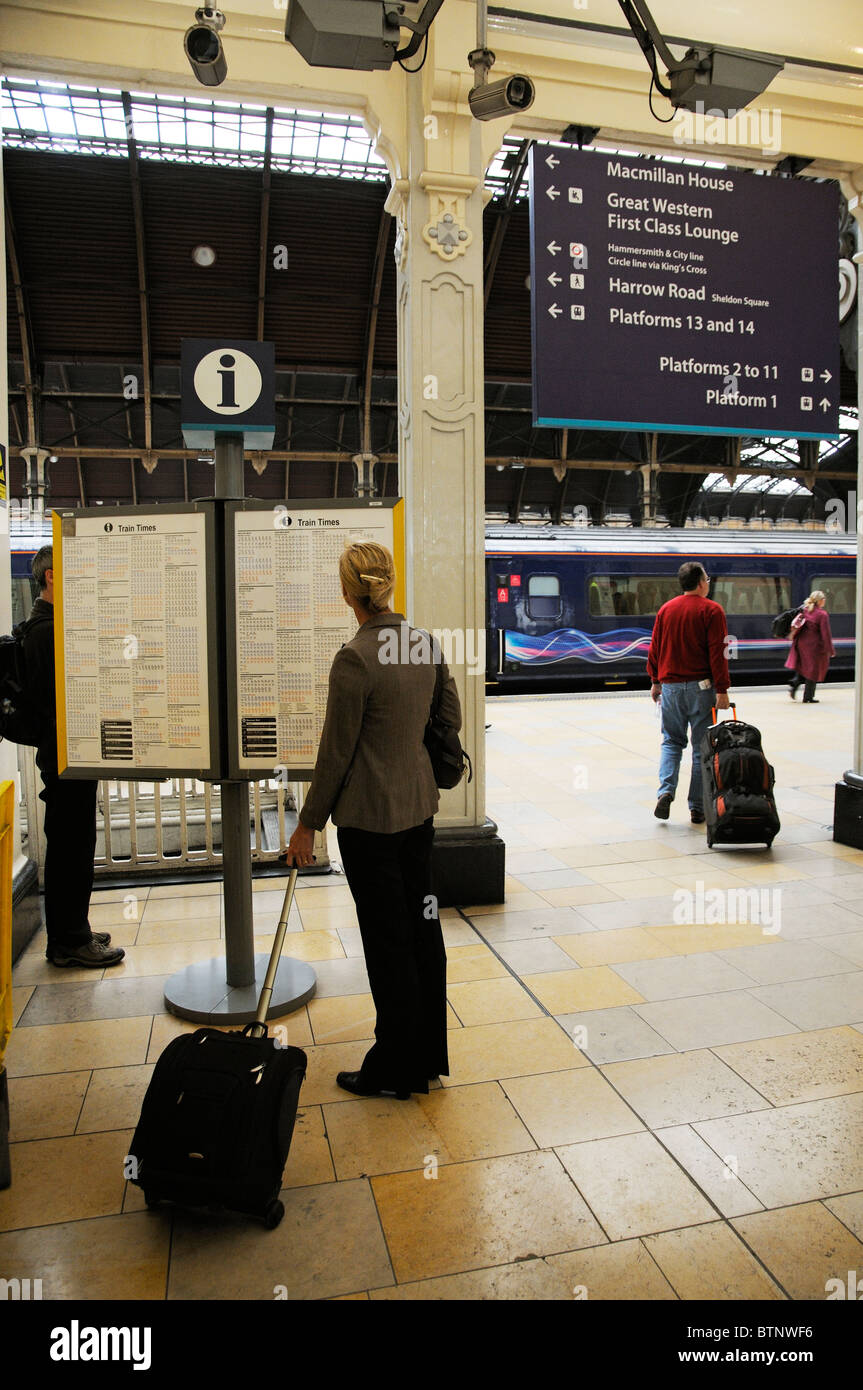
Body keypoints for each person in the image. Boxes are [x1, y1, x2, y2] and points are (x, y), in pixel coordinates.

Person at [285, 541, 461, 1100]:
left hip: (369, 826)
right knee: (423, 931)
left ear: (347, 594)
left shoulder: (355, 658)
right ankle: (428, 1057)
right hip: (418, 812)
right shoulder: (424, 644)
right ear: (388, 586)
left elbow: (335, 754)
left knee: (388, 945)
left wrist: (307, 824)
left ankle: (394, 1068)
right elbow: (449, 717)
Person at [26, 547, 124, 968]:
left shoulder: (47, 627)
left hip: (69, 755)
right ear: (51, 576)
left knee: (76, 841)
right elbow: (61, 700)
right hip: (65, 757)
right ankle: (69, 942)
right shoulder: (46, 632)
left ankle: (73, 929)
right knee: (70, 847)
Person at [646, 560, 731, 825]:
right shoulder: (712, 610)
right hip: (701, 688)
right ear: (701, 582)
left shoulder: (666, 609)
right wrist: (722, 689)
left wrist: (655, 681)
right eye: (707, 578)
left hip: (670, 687)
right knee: (700, 749)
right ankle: (697, 807)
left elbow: (655, 648)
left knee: (671, 742)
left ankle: (666, 791)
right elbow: (719, 653)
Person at [786, 590, 835, 703]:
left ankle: (795, 683)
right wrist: (830, 650)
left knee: (804, 667)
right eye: (824, 599)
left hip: (801, 643)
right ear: (820, 601)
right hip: (814, 646)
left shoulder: (805, 610)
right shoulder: (822, 614)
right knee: (813, 670)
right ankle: (808, 697)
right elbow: (825, 634)